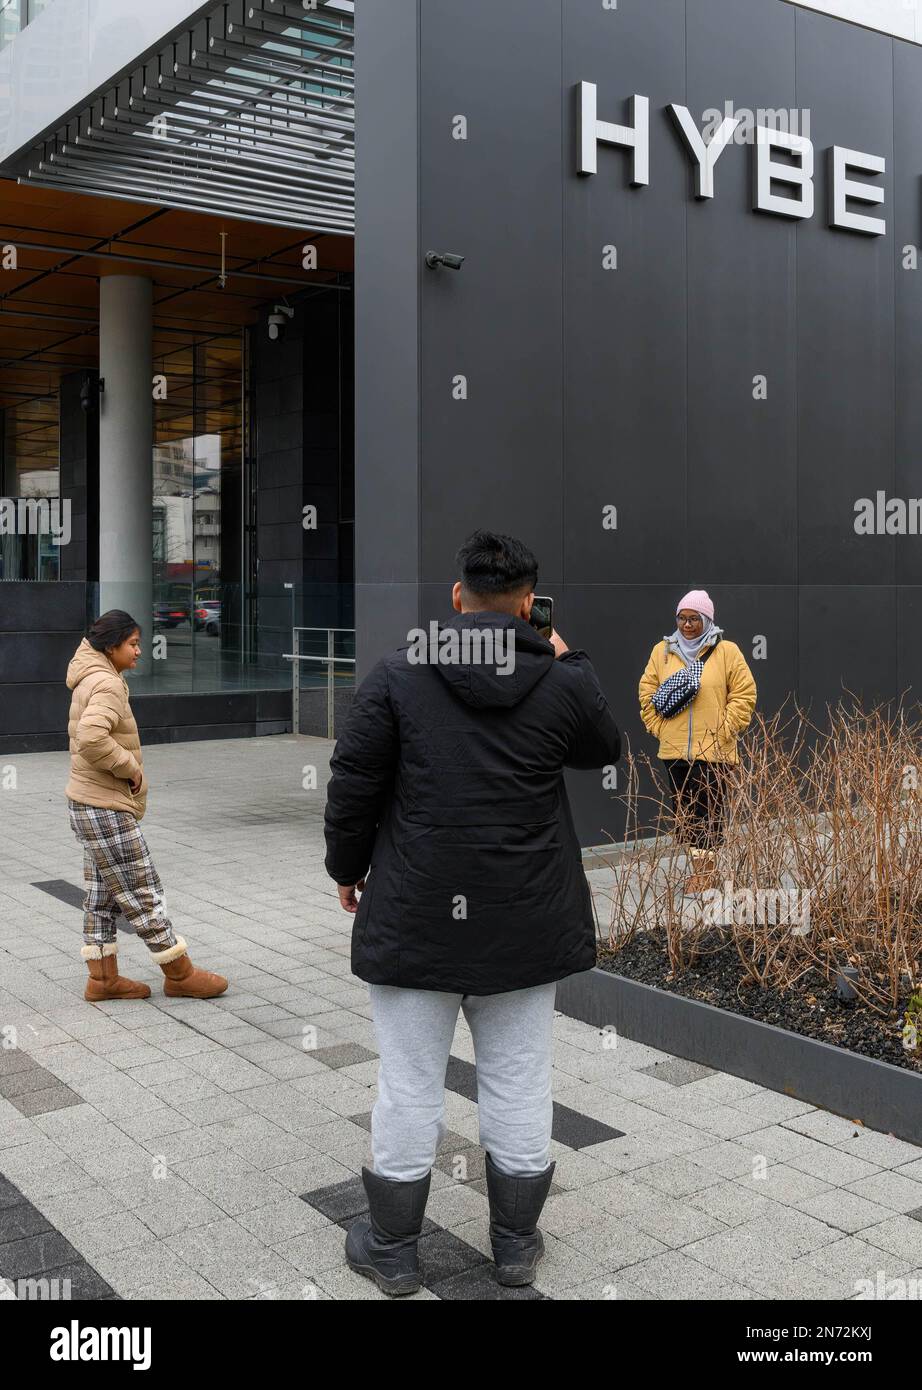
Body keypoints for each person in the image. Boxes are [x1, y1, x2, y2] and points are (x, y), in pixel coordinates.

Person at [324, 531, 621, 1296]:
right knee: (519, 1081)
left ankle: (391, 1251)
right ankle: (516, 1248)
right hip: (523, 923)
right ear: (529, 603)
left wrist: (346, 870)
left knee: (409, 1081)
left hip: (416, 912)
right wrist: (563, 650)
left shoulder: (397, 674)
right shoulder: (558, 679)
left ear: (456, 599)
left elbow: (354, 784)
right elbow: (604, 746)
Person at [66, 610, 228, 1002]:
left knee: (102, 896)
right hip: (104, 806)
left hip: (86, 802)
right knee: (143, 889)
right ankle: (179, 973)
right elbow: (91, 737)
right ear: (112, 646)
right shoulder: (106, 682)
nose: (140, 651)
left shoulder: (92, 674)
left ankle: (102, 980)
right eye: (133, 644)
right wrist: (130, 767)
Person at [638, 590, 757, 892]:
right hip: (674, 750)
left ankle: (706, 874)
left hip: (714, 751)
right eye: (682, 618)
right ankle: (699, 871)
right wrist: (658, 727)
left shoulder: (726, 651)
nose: (687, 624)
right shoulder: (662, 651)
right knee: (686, 815)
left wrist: (724, 730)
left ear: (707, 620)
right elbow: (647, 691)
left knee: (710, 814)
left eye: (694, 619)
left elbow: (744, 694)